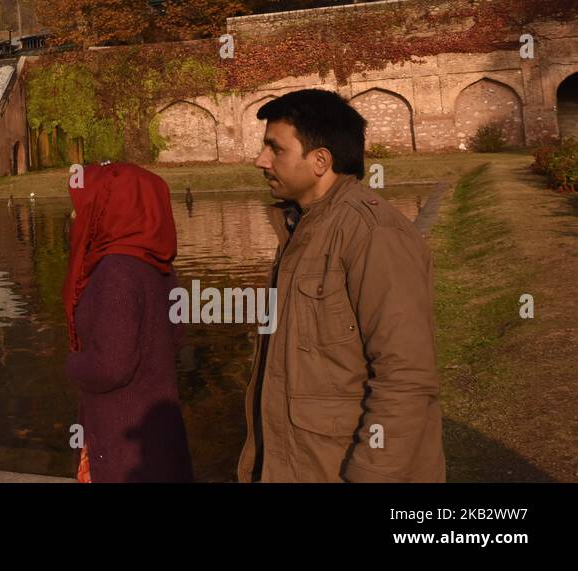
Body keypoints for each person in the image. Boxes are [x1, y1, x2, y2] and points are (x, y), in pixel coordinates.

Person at [239, 89, 445, 482]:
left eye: (275, 149)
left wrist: (371, 474)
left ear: (320, 161)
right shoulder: (302, 229)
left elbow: (405, 376)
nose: (260, 161)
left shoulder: (373, 234)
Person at [64, 161, 193, 482]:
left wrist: (73, 364)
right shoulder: (155, 261)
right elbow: (176, 335)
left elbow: (111, 366)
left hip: (122, 433)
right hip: (157, 428)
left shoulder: (115, 270)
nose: (76, 216)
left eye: (84, 207)